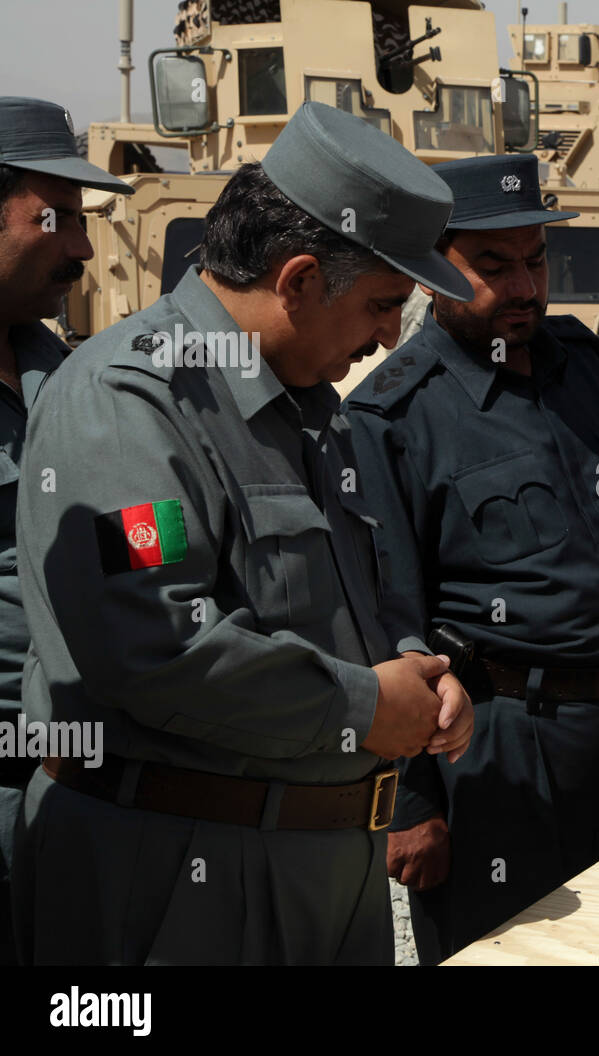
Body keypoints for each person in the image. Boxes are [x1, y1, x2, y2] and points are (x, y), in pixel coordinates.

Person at [11, 101, 475, 965]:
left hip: (322, 870)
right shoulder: (128, 401)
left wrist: (420, 676)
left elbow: (357, 601)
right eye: (382, 306)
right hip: (177, 876)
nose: (386, 338)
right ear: (298, 280)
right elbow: (152, 645)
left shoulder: (310, 410)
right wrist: (370, 705)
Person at [346, 153, 599, 963]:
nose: (524, 286)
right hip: (498, 754)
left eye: (535, 260)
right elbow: (387, 619)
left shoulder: (583, 367)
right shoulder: (392, 414)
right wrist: (413, 805)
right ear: (429, 272)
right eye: (493, 266)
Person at [0, 96, 135, 966]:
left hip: (90, 778)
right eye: (57, 217)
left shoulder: (75, 377)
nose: (83, 249)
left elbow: (139, 530)